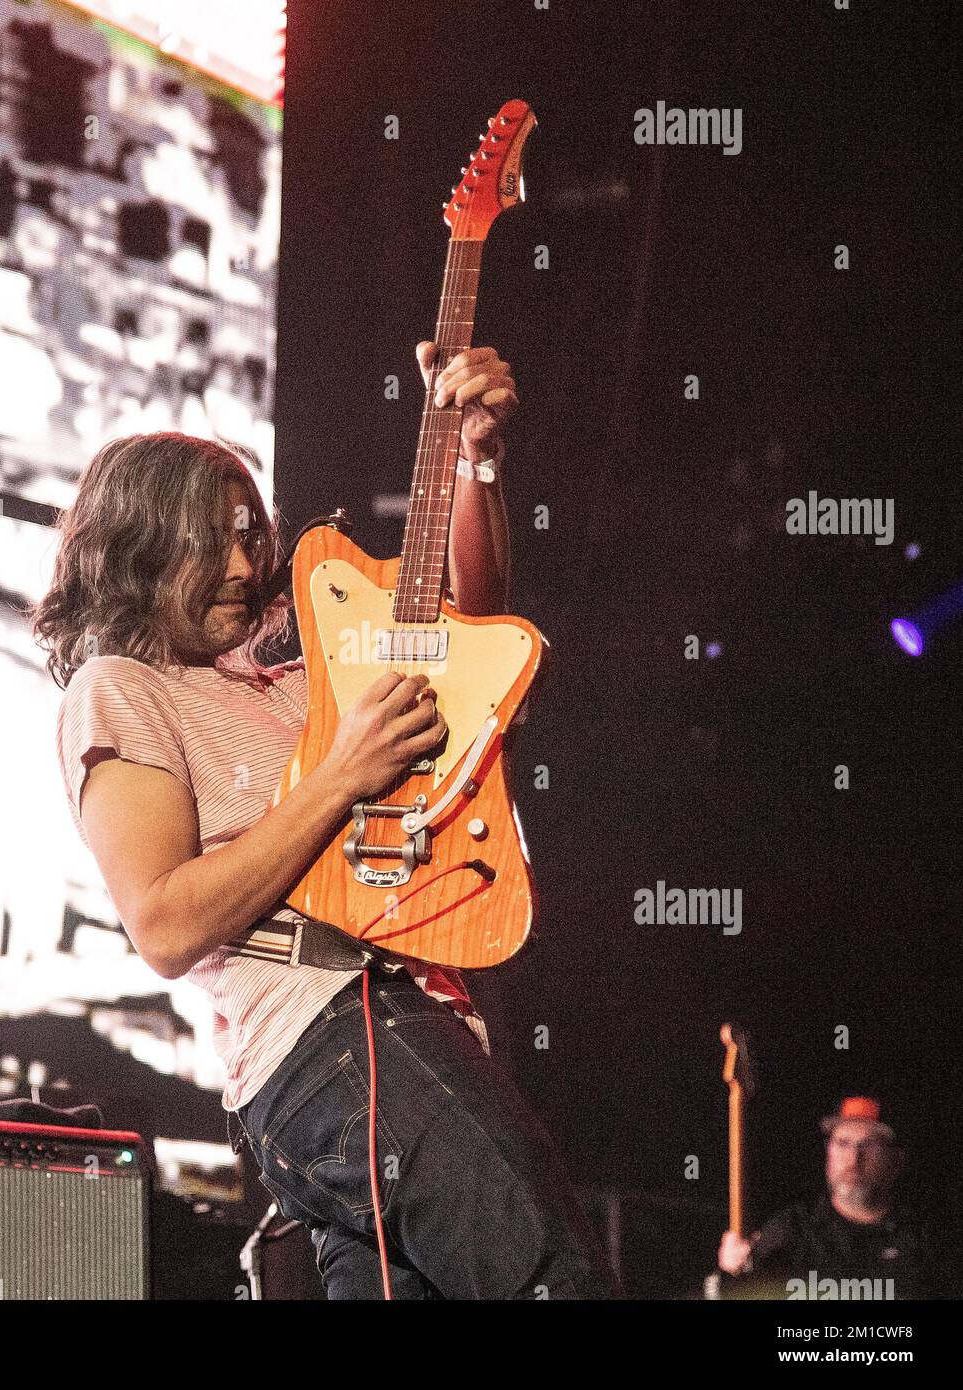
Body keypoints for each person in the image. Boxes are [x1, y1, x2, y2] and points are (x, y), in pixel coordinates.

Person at [32, 342, 614, 1300]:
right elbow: (167, 926)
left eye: (249, 534)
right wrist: (340, 776)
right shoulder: (119, 690)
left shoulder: (299, 671)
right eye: (206, 540)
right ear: (137, 550)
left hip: (384, 1039)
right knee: (551, 1272)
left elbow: (472, 631)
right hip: (331, 1037)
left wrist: (473, 459)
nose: (241, 562)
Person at [717, 1096, 952, 1298]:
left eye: (869, 1145)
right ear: (828, 1153)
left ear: (896, 1161)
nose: (853, 1158)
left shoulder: (927, 1240)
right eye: (842, 1143)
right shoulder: (791, 1231)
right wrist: (732, 1271)